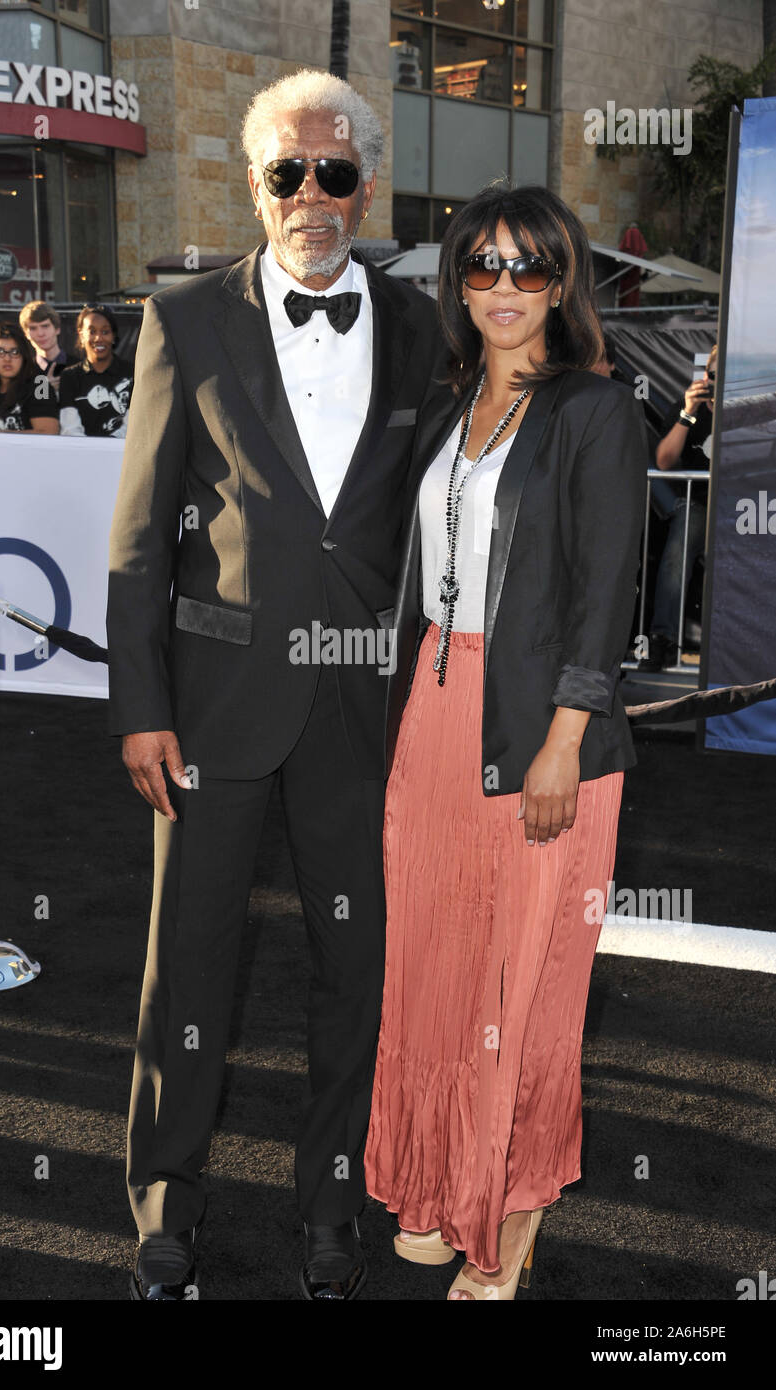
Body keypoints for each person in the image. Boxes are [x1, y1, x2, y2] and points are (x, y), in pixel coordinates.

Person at [106, 68, 442, 1302]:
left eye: (336, 171)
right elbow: (141, 534)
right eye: (288, 173)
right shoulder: (185, 317)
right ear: (253, 186)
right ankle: (164, 1206)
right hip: (212, 706)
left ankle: (332, 1205)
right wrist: (140, 701)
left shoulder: (424, 326)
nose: (313, 193)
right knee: (186, 965)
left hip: (361, 707)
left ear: (364, 184)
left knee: (355, 973)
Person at [363, 184, 648, 1299]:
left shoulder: (592, 409)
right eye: (480, 266)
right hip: (435, 717)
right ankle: (435, 1184)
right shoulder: (445, 410)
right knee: (432, 969)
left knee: (522, 985)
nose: (503, 289)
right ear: (457, 283)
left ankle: (509, 1218)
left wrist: (564, 736)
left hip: (540, 730)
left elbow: (603, 593)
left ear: (562, 281)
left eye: (528, 268)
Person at [638, 346, 716, 672]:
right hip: (700, 501)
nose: (714, 381)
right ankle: (663, 641)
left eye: (723, 375)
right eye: (711, 375)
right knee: (676, 555)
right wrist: (689, 412)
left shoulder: (750, 406)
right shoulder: (689, 406)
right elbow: (664, 461)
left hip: (745, 504)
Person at [58, 305, 132, 437]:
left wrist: (108, 447)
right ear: (81, 335)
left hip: (123, 453)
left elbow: (132, 426)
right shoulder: (69, 376)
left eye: (105, 332)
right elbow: (70, 429)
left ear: (113, 335)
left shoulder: (132, 373)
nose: (98, 338)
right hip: (81, 454)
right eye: (92, 332)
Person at [0, 323, 59, 434]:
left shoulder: (40, 386)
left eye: (15, 352)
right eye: (0, 351)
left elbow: (49, 432)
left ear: (24, 356)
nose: (7, 358)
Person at [19, 301, 78, 389]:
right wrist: (46, 390)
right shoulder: (23, 373)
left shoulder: (79, 367)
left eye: (45, 326)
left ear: (57, 329)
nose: (40, 333)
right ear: (26, 334)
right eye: (33, 328)